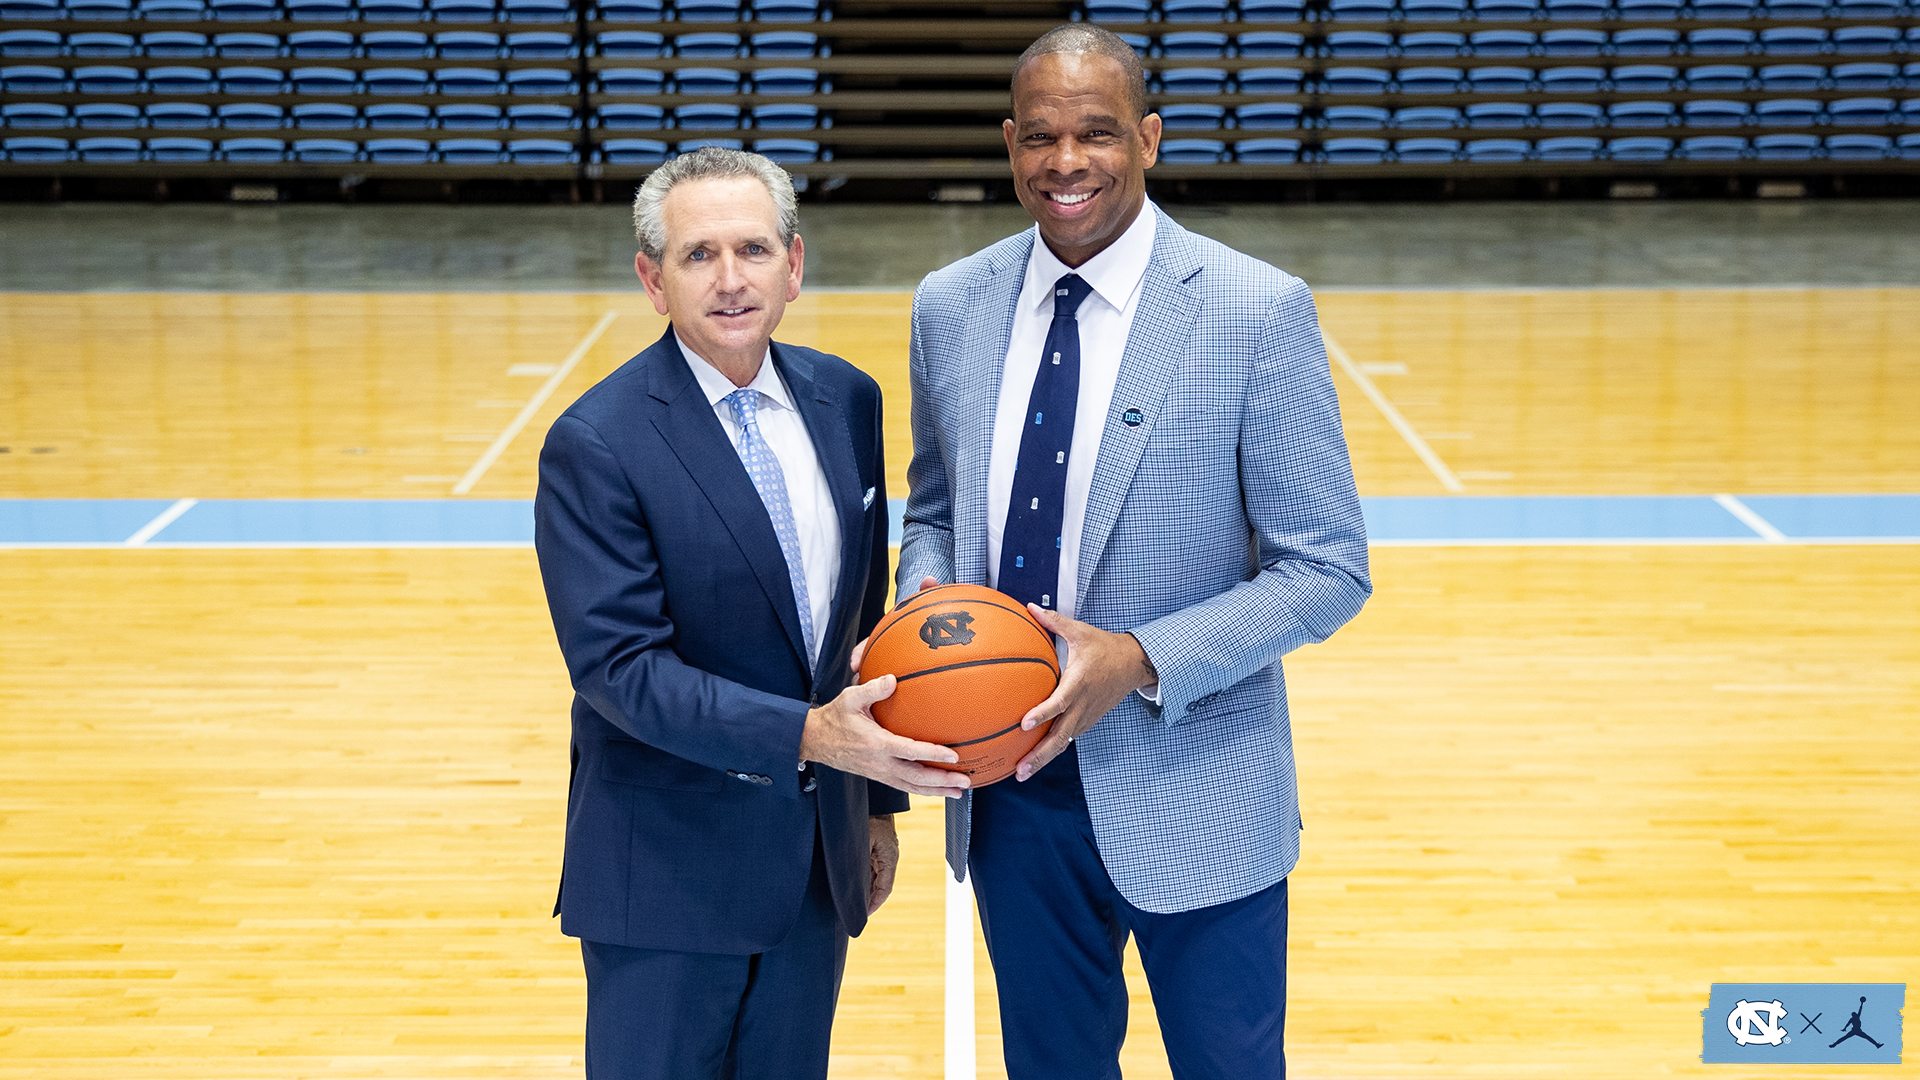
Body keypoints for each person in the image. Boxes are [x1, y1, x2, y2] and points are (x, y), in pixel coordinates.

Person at [895, 25, 1373, 1080]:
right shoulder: (950, 305)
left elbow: (1328, 566)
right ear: (1010, 145)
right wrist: (924, 604)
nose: (1066, 162)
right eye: (1041, 137)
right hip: (1012, 784)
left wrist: (1140, 658)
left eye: (1098, 133)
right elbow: (934, 503)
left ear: (1148, 139)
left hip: (1197, 778)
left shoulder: (1255, 310)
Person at [534, 147, 970, 1080]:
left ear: (794, 265)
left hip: (814, 870)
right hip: (667, 878)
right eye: (698, 255)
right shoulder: (596, 442)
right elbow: (619, 671)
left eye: (753, 250)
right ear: (653, 280)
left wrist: (875, 805)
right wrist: (811, 737)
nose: (730, 279)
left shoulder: (847, 398)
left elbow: (858, 626)